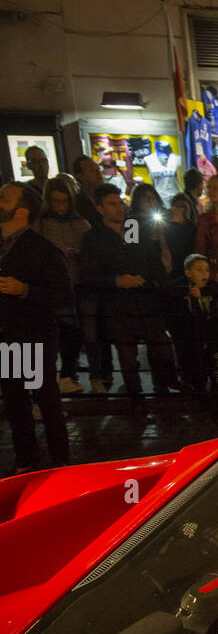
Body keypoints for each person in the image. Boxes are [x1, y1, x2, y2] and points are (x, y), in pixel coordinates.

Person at [79, 184, 180, 409]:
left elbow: (149, 260)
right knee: (127, 357)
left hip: (145, 300)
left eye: (120, 203)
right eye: (112, 204)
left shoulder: (133, 229)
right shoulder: (94, 237)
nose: (119, 208)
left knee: (160, 348)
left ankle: (163, 390)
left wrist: (154, 281)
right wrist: (116, 280)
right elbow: (89, 273)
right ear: (99, 208)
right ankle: (137, 400)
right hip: (118, 305)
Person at [0, 182, 70, 474]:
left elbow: (64, 296)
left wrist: (24, 289)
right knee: (15, 401)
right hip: (7, 335)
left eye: (4, 198)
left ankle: (59, 460)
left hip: (34, 335)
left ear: (21, 211)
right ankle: (26, 460)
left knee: (45, 398)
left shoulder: (43, 250)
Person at [35, 176, 92, 395]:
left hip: (77, 281)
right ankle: (63, 376)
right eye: (55, 202)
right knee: (66, 330)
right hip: (55, 285)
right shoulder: (41, 225)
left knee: (79, 330)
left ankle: (67, 374)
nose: (60, 206)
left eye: (64, 201)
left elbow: (90, 250)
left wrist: (79, 253)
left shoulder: (80, 223)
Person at [167, 253, 218, 399]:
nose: (205, 273)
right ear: (188, 272)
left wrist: (203, 292)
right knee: (199, 377)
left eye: (207, 269)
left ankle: (217, 407)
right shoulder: (181, 288)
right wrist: (189, 292)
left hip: (214, 340)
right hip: (194, 342)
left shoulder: (211, 286)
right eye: (199, 269)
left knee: (217, 376)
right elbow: (169, 291)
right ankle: (204, 405)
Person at [164, 194, 196, 279]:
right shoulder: (166, 227)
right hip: (172, 272)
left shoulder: (193, 228)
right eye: (177, 206)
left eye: (183, 207)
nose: (179, 210)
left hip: (189, 270)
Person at [71, 155, 104, 228]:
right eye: (92, 170)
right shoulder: (77, 204)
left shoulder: (108, 197)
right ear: (80, 176)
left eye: (98, 168)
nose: (98, 173)